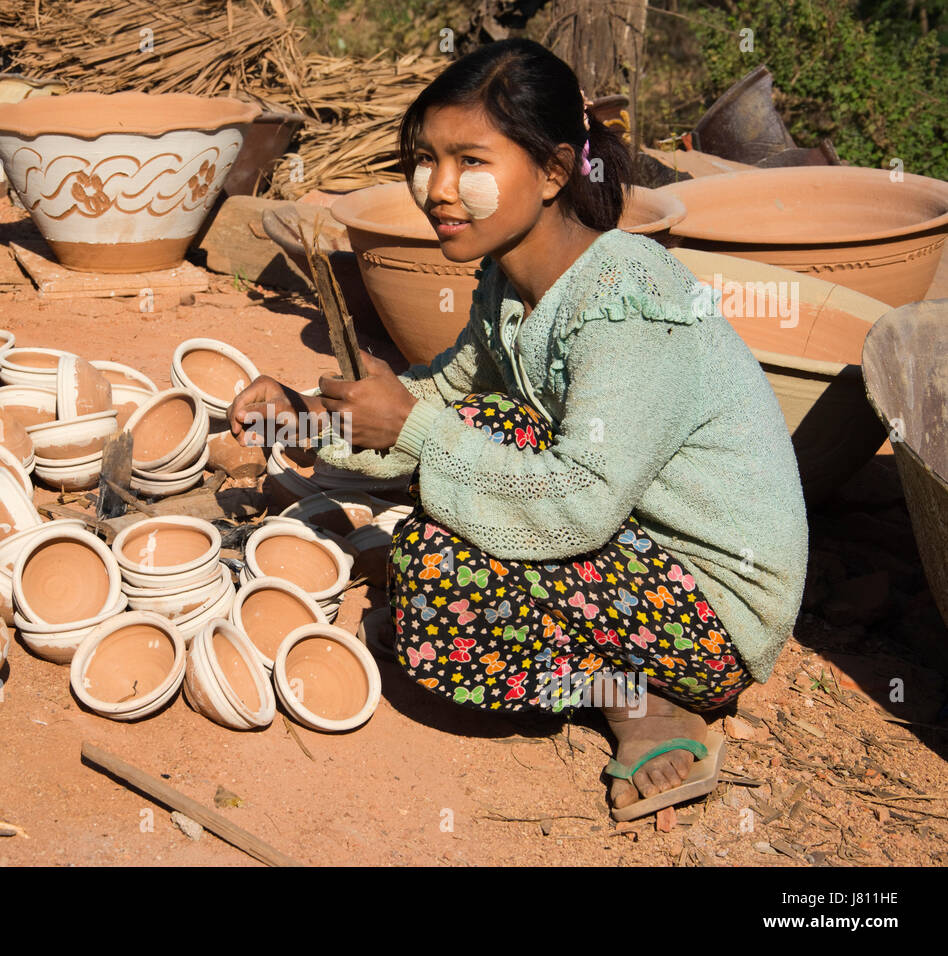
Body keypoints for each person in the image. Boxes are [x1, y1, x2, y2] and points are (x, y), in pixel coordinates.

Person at [226, 38, 807, 820]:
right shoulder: (510, 286)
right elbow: (434, 400)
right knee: (471, 447)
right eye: (425, 159)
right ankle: (616, 682)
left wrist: (421, 431)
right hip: (635, 552)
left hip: (712, 612)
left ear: (556, 171)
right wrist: (306, 418)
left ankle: (641, 700)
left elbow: (581, 497)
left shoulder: (626, 297)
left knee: (436, 566)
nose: (438, 188)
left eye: (471, 162)